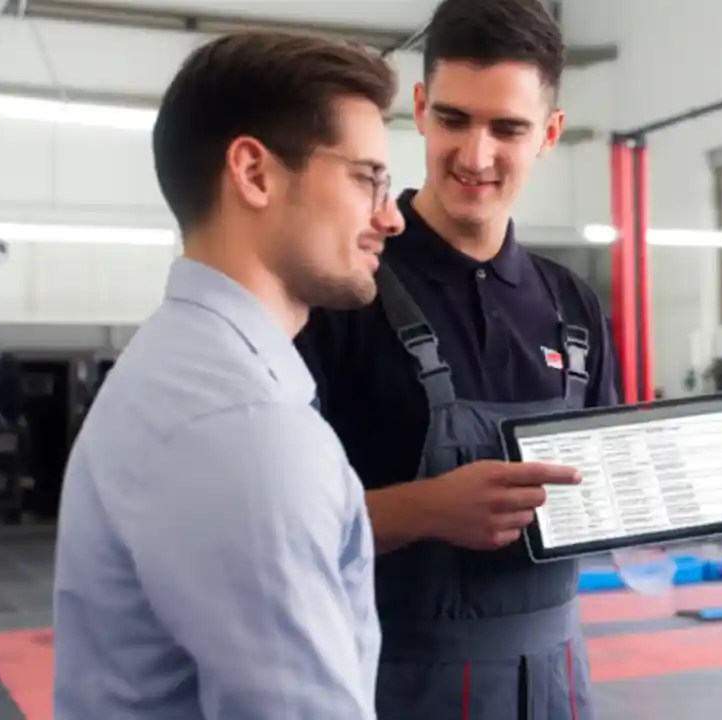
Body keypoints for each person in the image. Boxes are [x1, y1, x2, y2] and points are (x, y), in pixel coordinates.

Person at [53, 31, 406, 719]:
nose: (390, 217)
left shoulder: (179, 370)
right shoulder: (245, 427)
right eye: (368, 179)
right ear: (253, 172)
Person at [296, 0, 608, 717]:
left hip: (559, 685)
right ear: (420, 108)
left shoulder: (575, 308)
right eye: (455, 119)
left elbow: (594, 490)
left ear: (550, 134)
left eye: (508, 128)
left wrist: (709, 491)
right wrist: (422, 509)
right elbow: (268, 528)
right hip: (393, 685)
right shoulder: (345, 288)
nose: (475, 156)